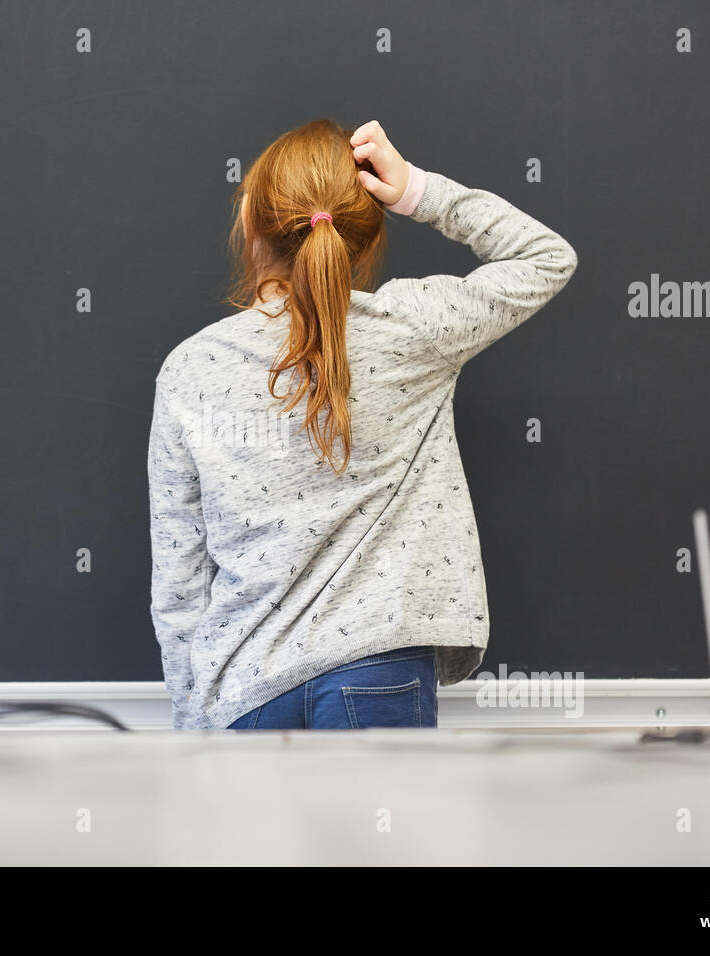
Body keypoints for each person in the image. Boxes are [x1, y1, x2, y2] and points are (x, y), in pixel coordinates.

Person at [147, 119, 577, 730]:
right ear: (366, 234)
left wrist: (194, 721)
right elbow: (546, 257)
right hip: (375, 669)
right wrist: (417, 190)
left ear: (249, 222)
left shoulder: (191, 368)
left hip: (241, 692)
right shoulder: (414, 329)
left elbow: (180, 577)